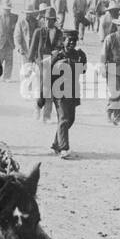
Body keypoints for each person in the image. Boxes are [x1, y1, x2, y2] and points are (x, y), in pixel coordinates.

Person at [46, 30, 85, 159]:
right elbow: (47, 74)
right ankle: (64, 149)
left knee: (71, 119)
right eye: (69, 40)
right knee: (63, 118)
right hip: (59, 92)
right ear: (63, 41)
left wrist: (81, 60)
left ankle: (56, 144)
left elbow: (83, 70)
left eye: (74, 40)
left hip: (72, 92)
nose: (72, 43)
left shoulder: (79, 55)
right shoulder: (57, 55)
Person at [33, 7, 63, 122]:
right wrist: (31, 63)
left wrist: (57, 51)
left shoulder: (59, 33)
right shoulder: (39, 32)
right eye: (46, 19)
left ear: (55, 20)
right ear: (44, 19)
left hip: (54, 63)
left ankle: (47, 116)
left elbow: (61, 46)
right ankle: (38, 106)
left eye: (51, 19)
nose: (48, 22)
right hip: (41, 63)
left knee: (51, 90)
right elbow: (33, 49)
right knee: (42, 88)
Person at [0, 0, 18, 81]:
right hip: (0, 43)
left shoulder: (14, 17)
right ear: (3, 9)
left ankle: (7, 77)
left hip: (9, 43)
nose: (7, 11)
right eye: (6, 9)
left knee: (9, 60)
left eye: (9, 9)